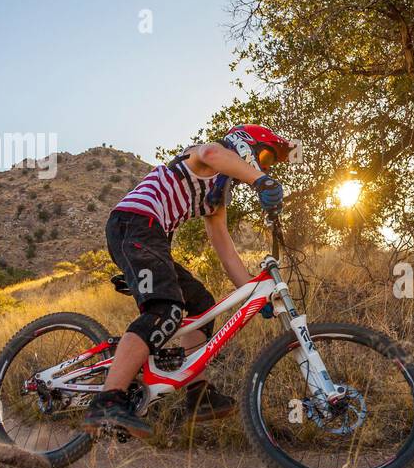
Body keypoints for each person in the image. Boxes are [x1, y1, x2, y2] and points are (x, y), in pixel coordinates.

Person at [81, 125, 291, 438]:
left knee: (201, 304)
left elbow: (226, 252)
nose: (266, 166)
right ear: (245, 144)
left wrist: (253, 294)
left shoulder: (216, 197)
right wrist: (260, 180)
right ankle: (108, 400)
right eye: (265, 156)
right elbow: (210, 153)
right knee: (165, 311)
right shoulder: (206, 155)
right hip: (134, 223)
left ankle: (199, 396)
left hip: (152, 238)